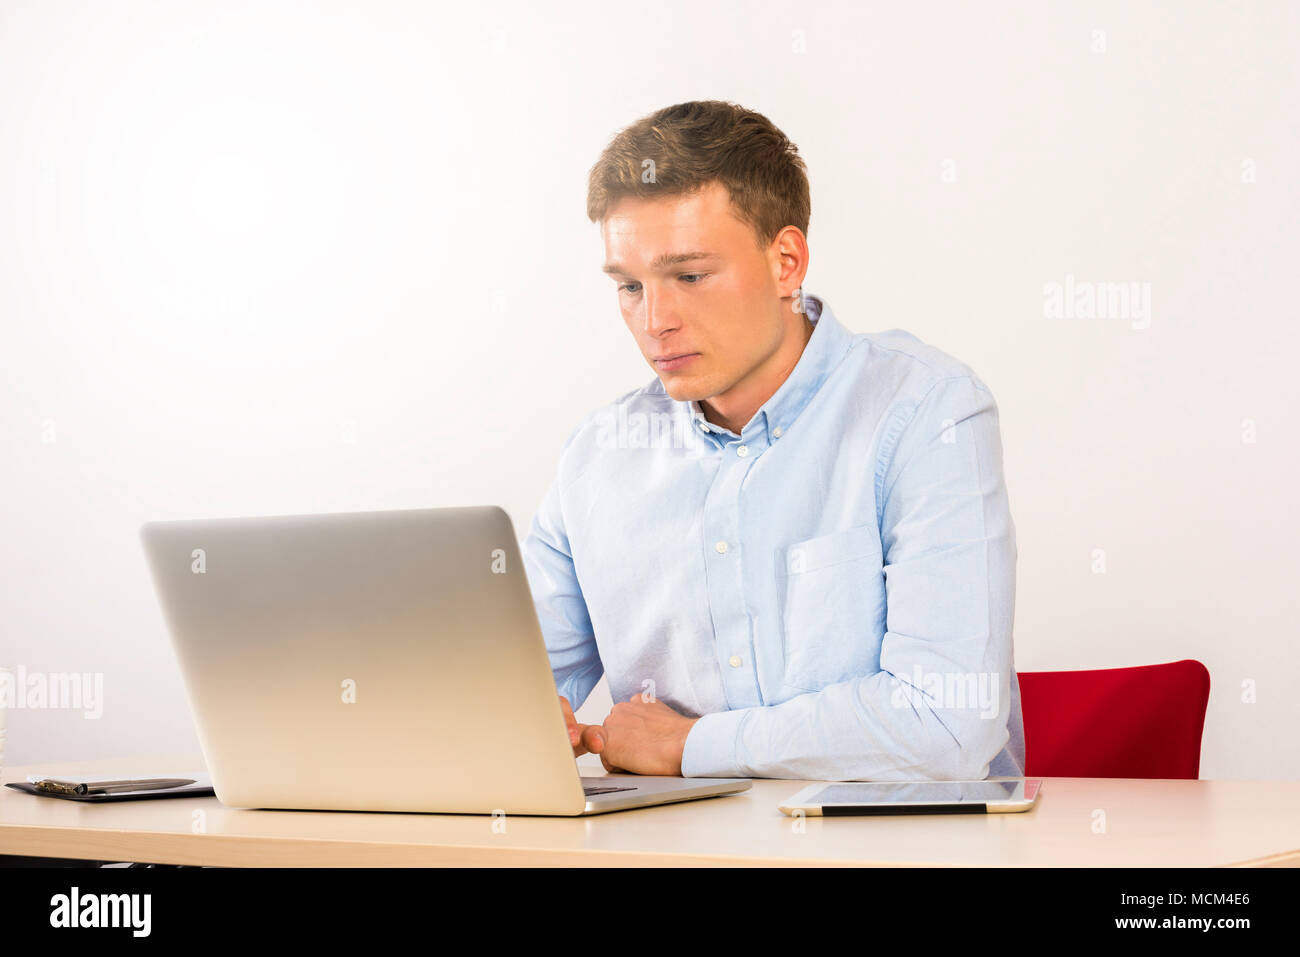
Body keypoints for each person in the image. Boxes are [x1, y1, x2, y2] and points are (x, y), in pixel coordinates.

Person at [523, 100, 1025, 781]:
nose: (655, 320)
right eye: (629, 286)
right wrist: (503, 722)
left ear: (786, 262)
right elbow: (495, 692)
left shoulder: (927, 412)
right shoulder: (596, 458)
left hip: (901, 854)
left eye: (690, 276)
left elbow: (946, 724)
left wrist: (689, 746)